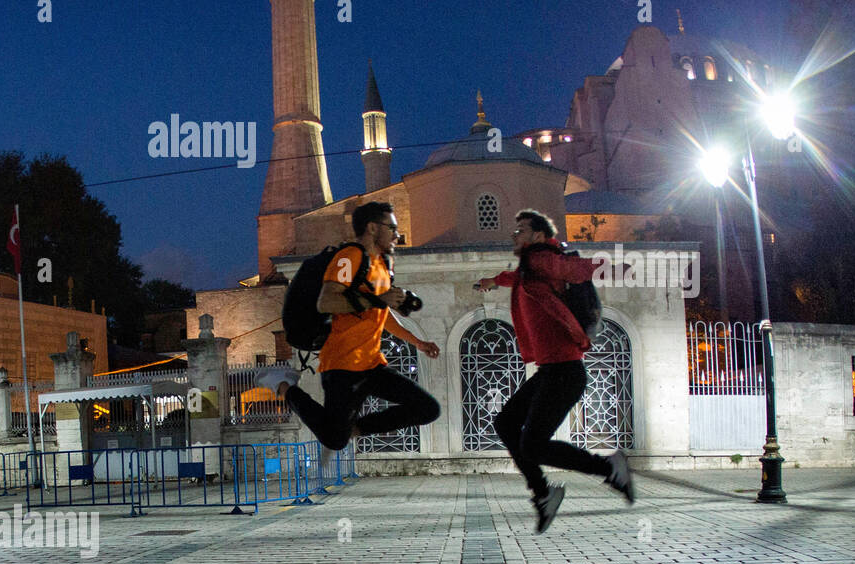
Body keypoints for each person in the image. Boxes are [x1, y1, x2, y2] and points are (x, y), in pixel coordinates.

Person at [474, 209, 634, 533]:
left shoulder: (541, 257)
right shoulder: (529, 267)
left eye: (520, 230)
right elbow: (516, 278)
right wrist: (493, 280)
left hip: (565, 370)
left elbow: (572, 268)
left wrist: (612, 268)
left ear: (535, 236)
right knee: (506, 423)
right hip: (552, 370)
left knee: (532, 444)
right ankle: (544, 493)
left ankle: (608, 467)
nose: (514, 236)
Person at [256, 201, 441, 459]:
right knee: (334, 440)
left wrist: (418, 342)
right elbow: (327, 301)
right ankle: (285, 387)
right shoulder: (349, 257)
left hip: (372, 365)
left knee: (427, 409)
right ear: (373, 228)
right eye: (392, 228)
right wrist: (378, 300)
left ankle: (355, 428)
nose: (397, 235)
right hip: (342, 367)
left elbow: (382, 315)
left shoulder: (383, 266)